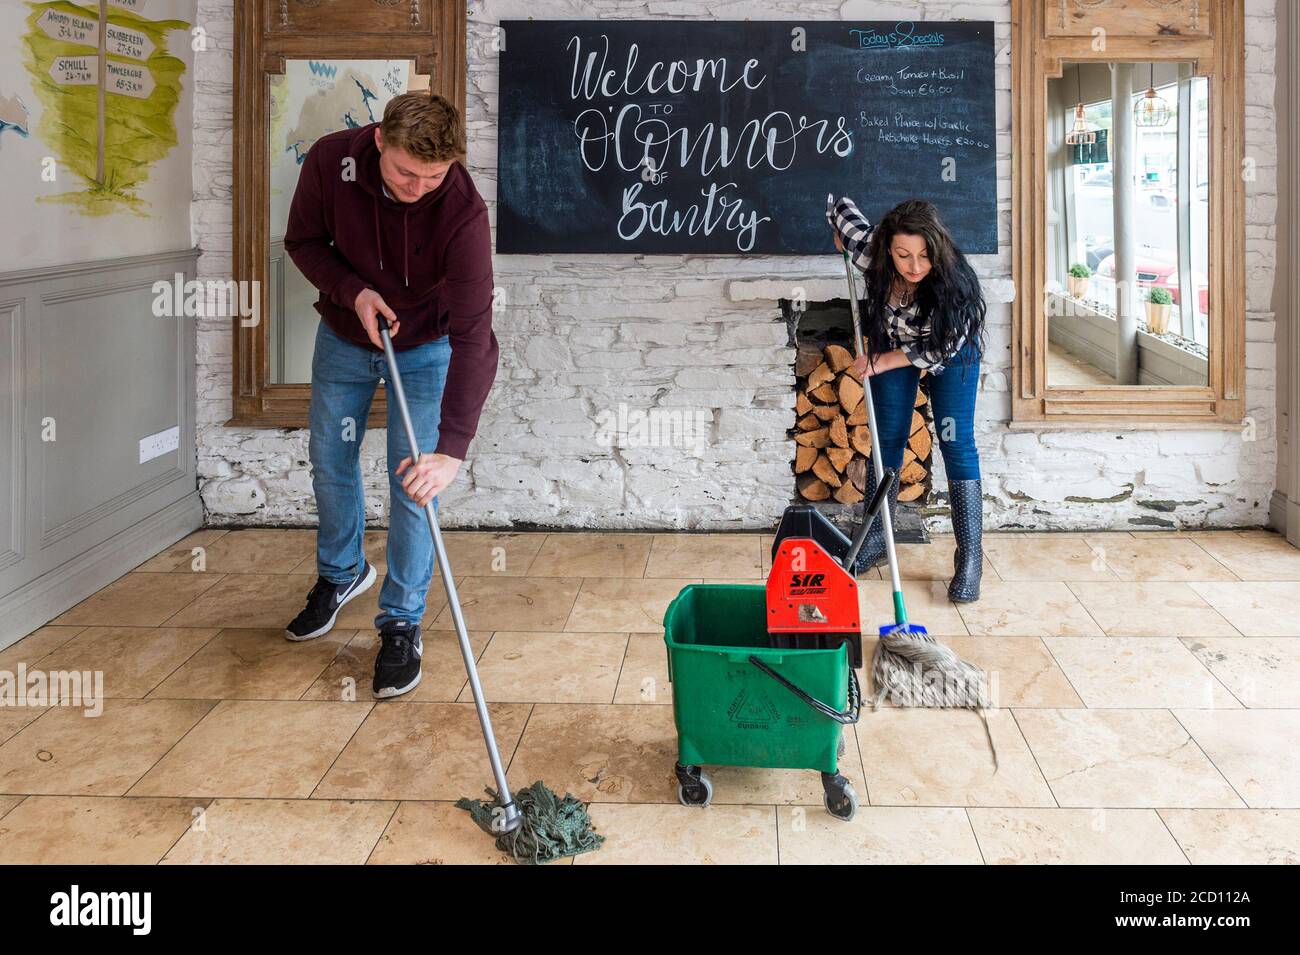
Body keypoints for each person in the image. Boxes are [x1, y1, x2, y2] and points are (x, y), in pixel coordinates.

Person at [281, 91, 498, 696]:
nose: (418, 187)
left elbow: (477, 335)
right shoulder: (330, 162)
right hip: (346, 336)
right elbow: (303, 244)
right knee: (330, 461)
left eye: (434, 175)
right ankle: (342, 574)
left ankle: (400, 621)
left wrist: (451, 451)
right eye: (406, 171)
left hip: (426, 347)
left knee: (414, 480)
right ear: (379, 139)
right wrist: (353, 291)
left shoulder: (460, 208)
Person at [827, 197, 986, 602]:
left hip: (949, 353)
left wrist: (881, 362)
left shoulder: (957, 286)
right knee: (888, 439)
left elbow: (939, 350)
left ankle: (970, 556)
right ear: (887, 250)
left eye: (924, 255)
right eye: (903, 255)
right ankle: (878, 538)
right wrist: (840, 238)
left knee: (956, 443)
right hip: (893, 346)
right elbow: (840, 206)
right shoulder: (871, 255)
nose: (915, 266)